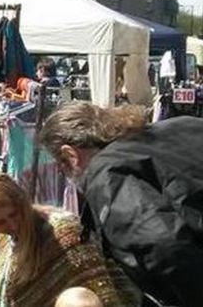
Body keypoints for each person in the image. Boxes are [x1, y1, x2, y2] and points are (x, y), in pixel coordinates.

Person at [40, 102, 203, 307]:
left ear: (70, 156)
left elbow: (163, 247)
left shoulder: (104, 175)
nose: (62, 173)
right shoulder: (181, 125)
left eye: (60, 166)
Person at [0, 171, 140, 307]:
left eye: (13, 214)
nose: (11, 224)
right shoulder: (5, 242)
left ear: (22, 202)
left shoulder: (63, 231)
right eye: (0, 222)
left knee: (77, 300)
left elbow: (101, 291)